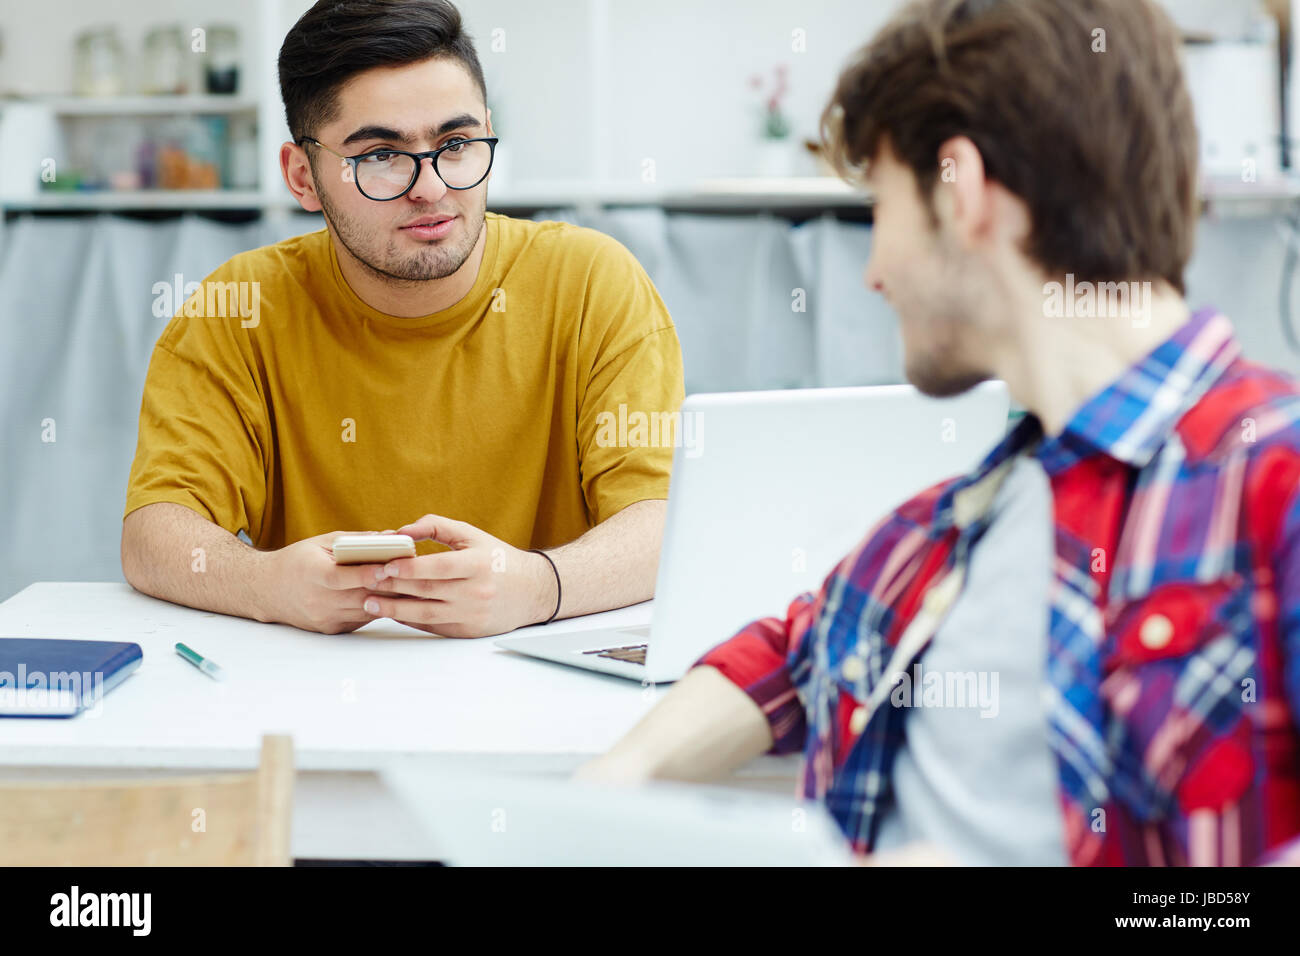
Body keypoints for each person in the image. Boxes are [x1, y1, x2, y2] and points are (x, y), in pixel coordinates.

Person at [579, 0, 1300, 866]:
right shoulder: (963, 522)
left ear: (961, 195)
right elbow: (798, 650)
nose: (874, 272)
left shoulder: (1274, 484)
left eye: (878, 208)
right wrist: (604, 794)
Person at [121, 0, 684, 637]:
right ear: (303, 177)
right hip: (313, 684)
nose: (432, 187)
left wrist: (540, 588)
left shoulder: (593, 283)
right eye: (382, 155)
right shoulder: (238, 307)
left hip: (543, 682)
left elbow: (664, 522)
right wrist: (267, 584)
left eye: (456, 143)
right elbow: (153, 533)